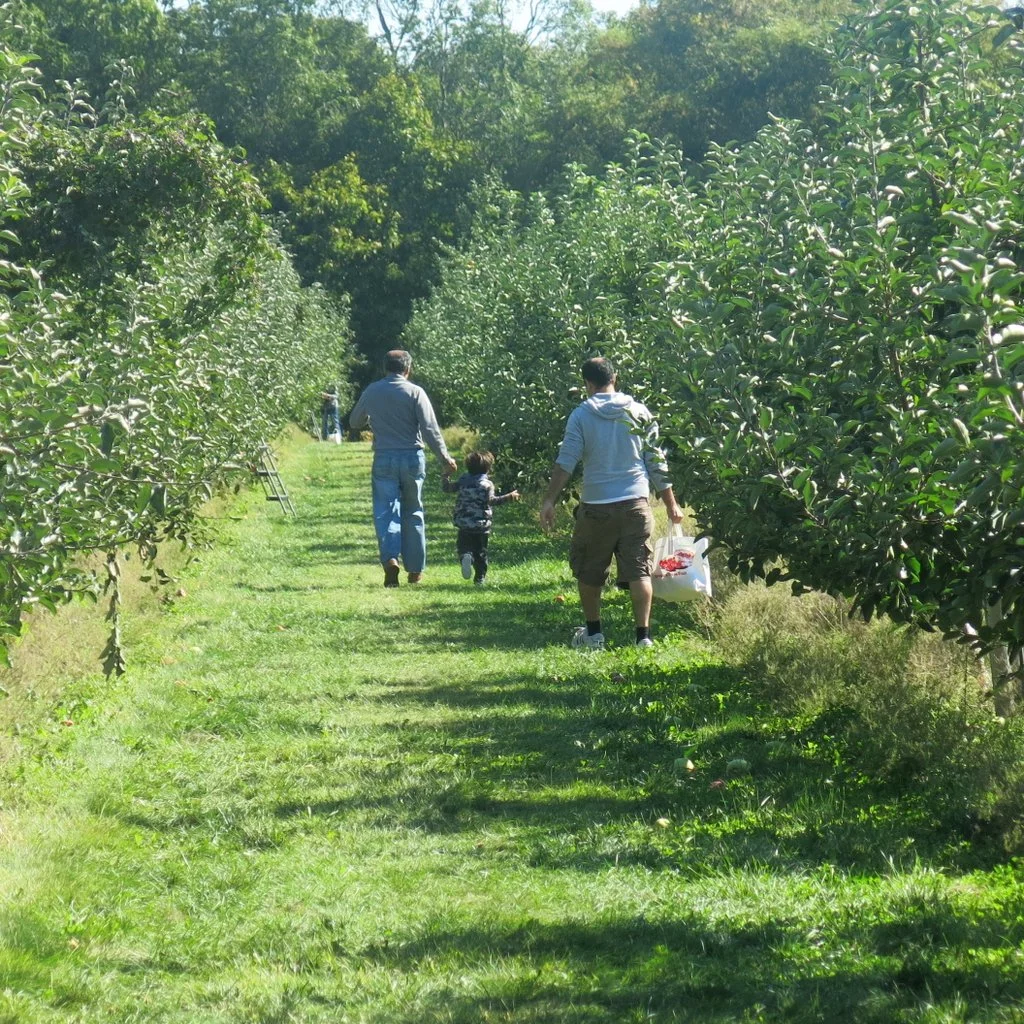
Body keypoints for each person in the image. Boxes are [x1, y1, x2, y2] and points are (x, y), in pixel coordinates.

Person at [540, 356, 683, 649]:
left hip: (597, 507)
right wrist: (671, 504)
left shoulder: (581, 416)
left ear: (587, 384)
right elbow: (656, 462)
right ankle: (643, 637)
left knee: (590, 570)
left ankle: (594, 634)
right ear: (614, 377)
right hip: (635, 504)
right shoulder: (640, 412)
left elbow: (566, 461)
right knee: (639, 569)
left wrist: (549, 500)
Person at [349, 350, 457, 587]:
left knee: (385, 511)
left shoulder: (372, 391)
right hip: (411, 457)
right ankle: (415, 570)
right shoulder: (415, 392)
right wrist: (444, 458)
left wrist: (376, 419)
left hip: (384, 457)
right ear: (407, 369)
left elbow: (355, 421)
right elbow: (429, 429)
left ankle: (390, 560)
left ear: (384, 368)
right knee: (413, 511)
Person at [442, 450, 520, 585]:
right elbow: (492, 501)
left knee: (463, 547)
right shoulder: (487, 485)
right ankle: (480, 578)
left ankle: (466, 557)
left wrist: (446, 475)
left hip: (464, 524)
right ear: (488, 468)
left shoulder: (463, 481)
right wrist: (509, 497)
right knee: (481, 553)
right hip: (481, 525)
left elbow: (447, 488)